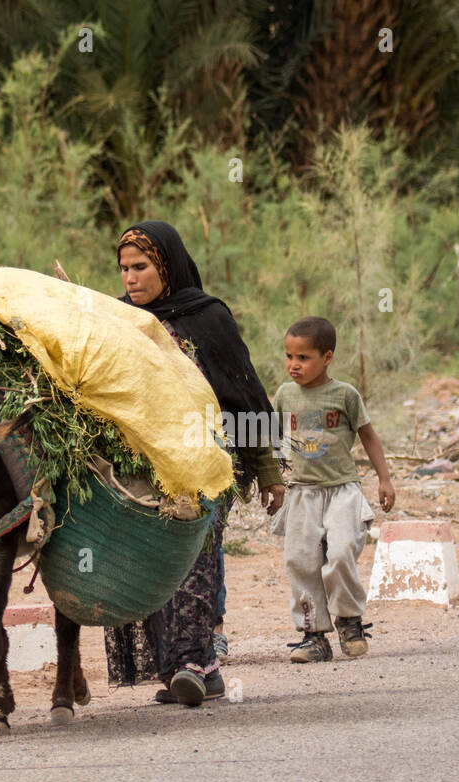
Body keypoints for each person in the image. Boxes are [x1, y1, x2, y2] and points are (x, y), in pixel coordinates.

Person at [105, 220, 285, 704]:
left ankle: (192, 662)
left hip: (208, 461)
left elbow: (242, 396)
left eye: (140, 267)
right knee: (155, 563)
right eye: (123, 268)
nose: (130, 278)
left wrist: (268, 474)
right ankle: (188, 667)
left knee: (194, 556)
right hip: (140, 466)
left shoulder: (207, 318)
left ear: (167, 265)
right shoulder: (118, 320)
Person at [270, 315, 394, 662]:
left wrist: (384, 479)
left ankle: (350, 619)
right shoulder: (284, 395)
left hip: (342, 490)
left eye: (303, 357)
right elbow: (273, 440)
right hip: (302, 492)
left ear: (327, 357)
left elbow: (368, 435)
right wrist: (273, 483)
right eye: (289, 356)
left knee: (341, 553)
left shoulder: (344, 395)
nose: (294, 365)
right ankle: (313, 636)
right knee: (300, 561)